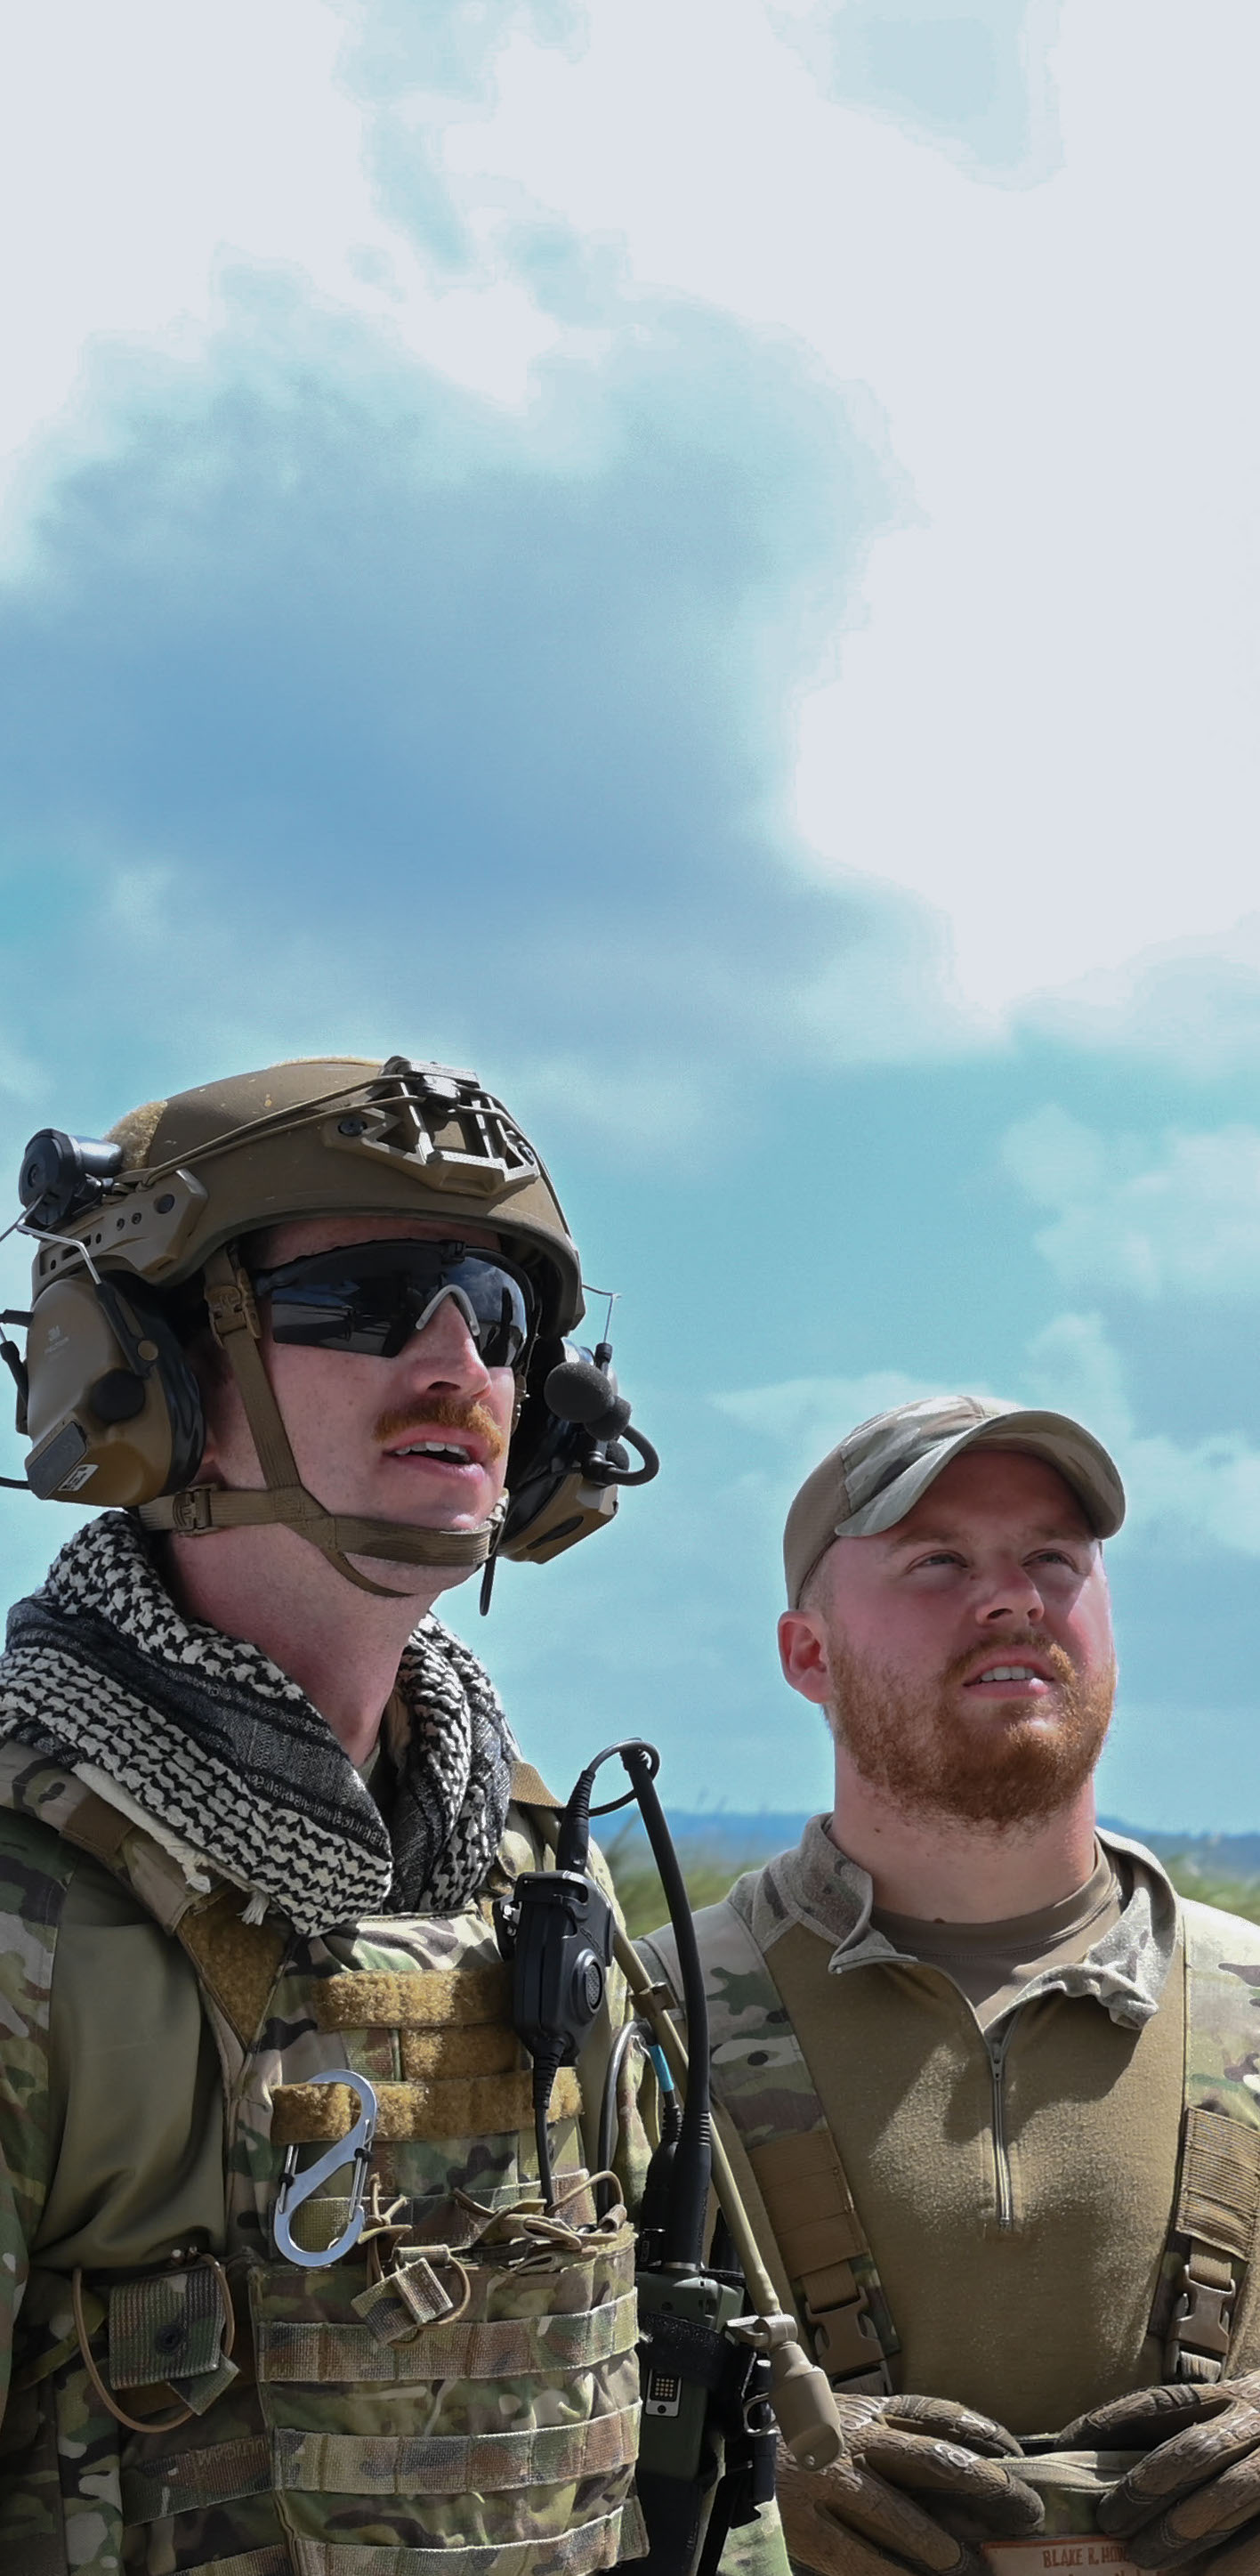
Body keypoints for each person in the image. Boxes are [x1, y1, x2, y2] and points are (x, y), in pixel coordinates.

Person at [662, 1397, 1260, 2576]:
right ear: (808, 1652)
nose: (1008, 1597)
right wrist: (726, 2482)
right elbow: (471, 2425)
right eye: (937, 1560)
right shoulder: (652, 2028)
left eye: (1052, 1559)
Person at [0, 1057, 670, 2576]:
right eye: (366, 1298)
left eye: (497, 1318)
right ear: (152, 1370)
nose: (456, 1362)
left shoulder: (527, 1859)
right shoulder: (25, 1888)